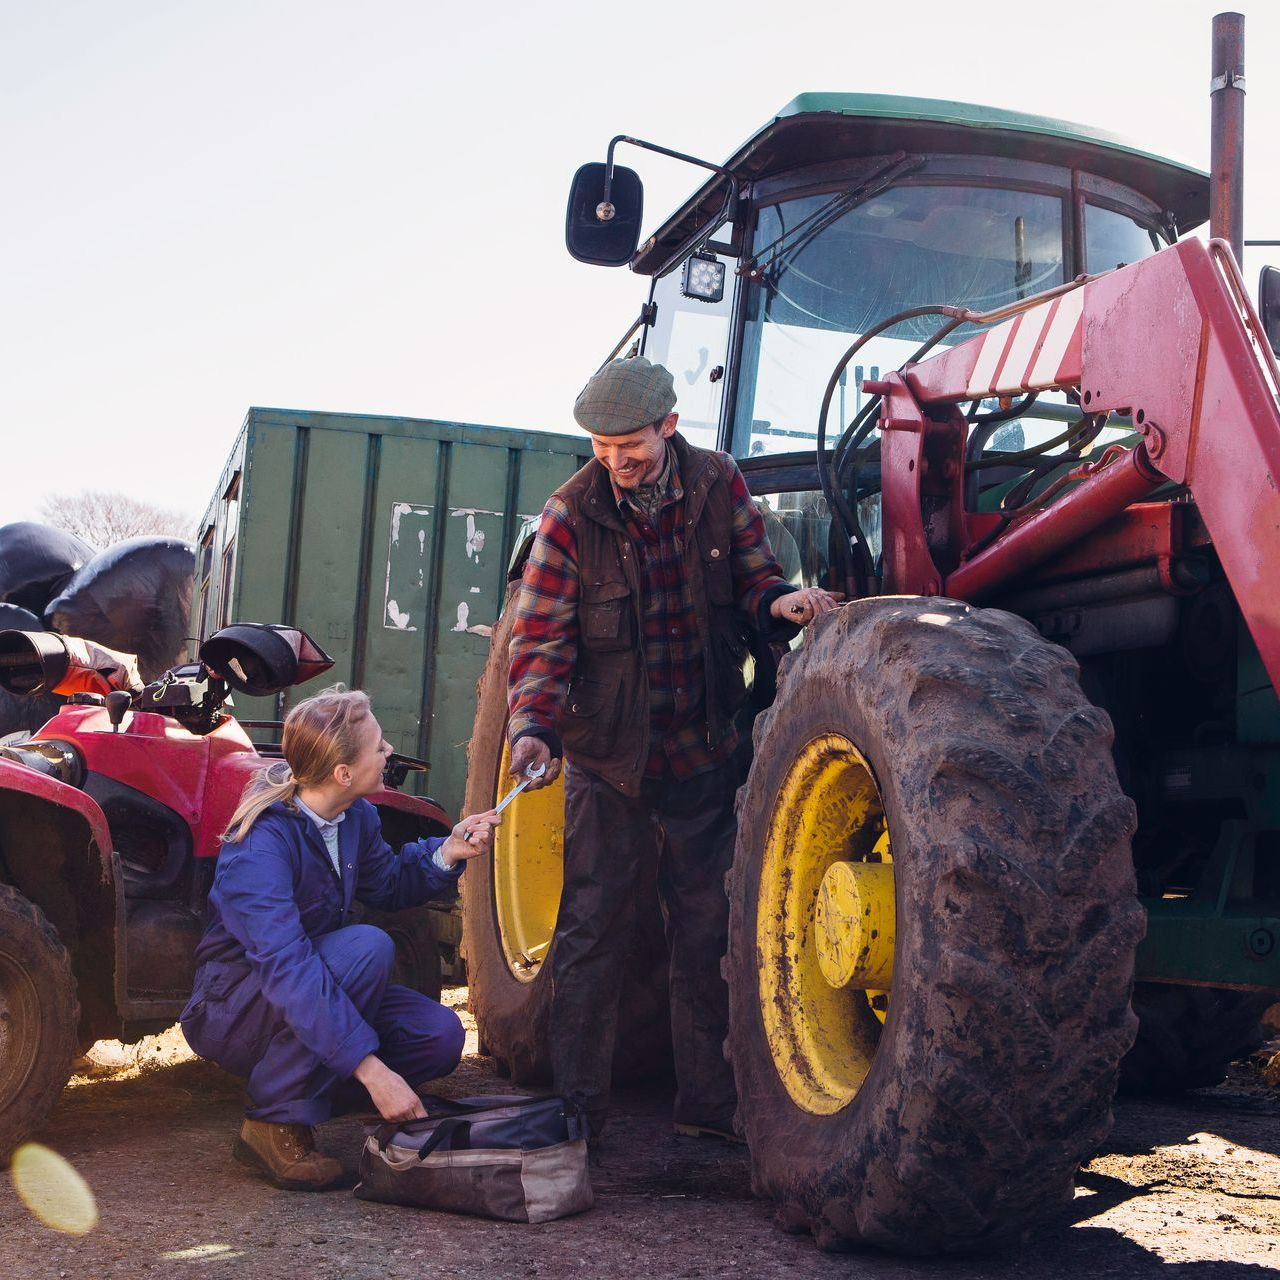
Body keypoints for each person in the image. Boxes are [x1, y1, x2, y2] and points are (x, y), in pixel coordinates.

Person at [506, 356, 840, 1143]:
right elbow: (542, 642)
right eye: (601, 447)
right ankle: (578, 1113)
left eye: (631, 445)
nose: (617, 462)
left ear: (670, 427)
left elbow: (756, 581)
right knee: (591, 933)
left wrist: (783, 601)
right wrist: (530, 728)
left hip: (701, 750)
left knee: (709, 929)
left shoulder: (720, 484)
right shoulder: (569, 515)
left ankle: (711, 1110)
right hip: (608, 763)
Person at [180, 686, 500, 1191]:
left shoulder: (353, 818)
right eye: (379, 746)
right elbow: (289, 970)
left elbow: (388, 882)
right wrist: (374, 1072)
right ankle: (270, 1123)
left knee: (438, 1037)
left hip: (307, 987)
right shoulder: (260, 844)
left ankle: (309, 1096)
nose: (389, 751)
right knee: (367, 948)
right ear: (343, 773)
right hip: (238, 1007)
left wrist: (449, 851)